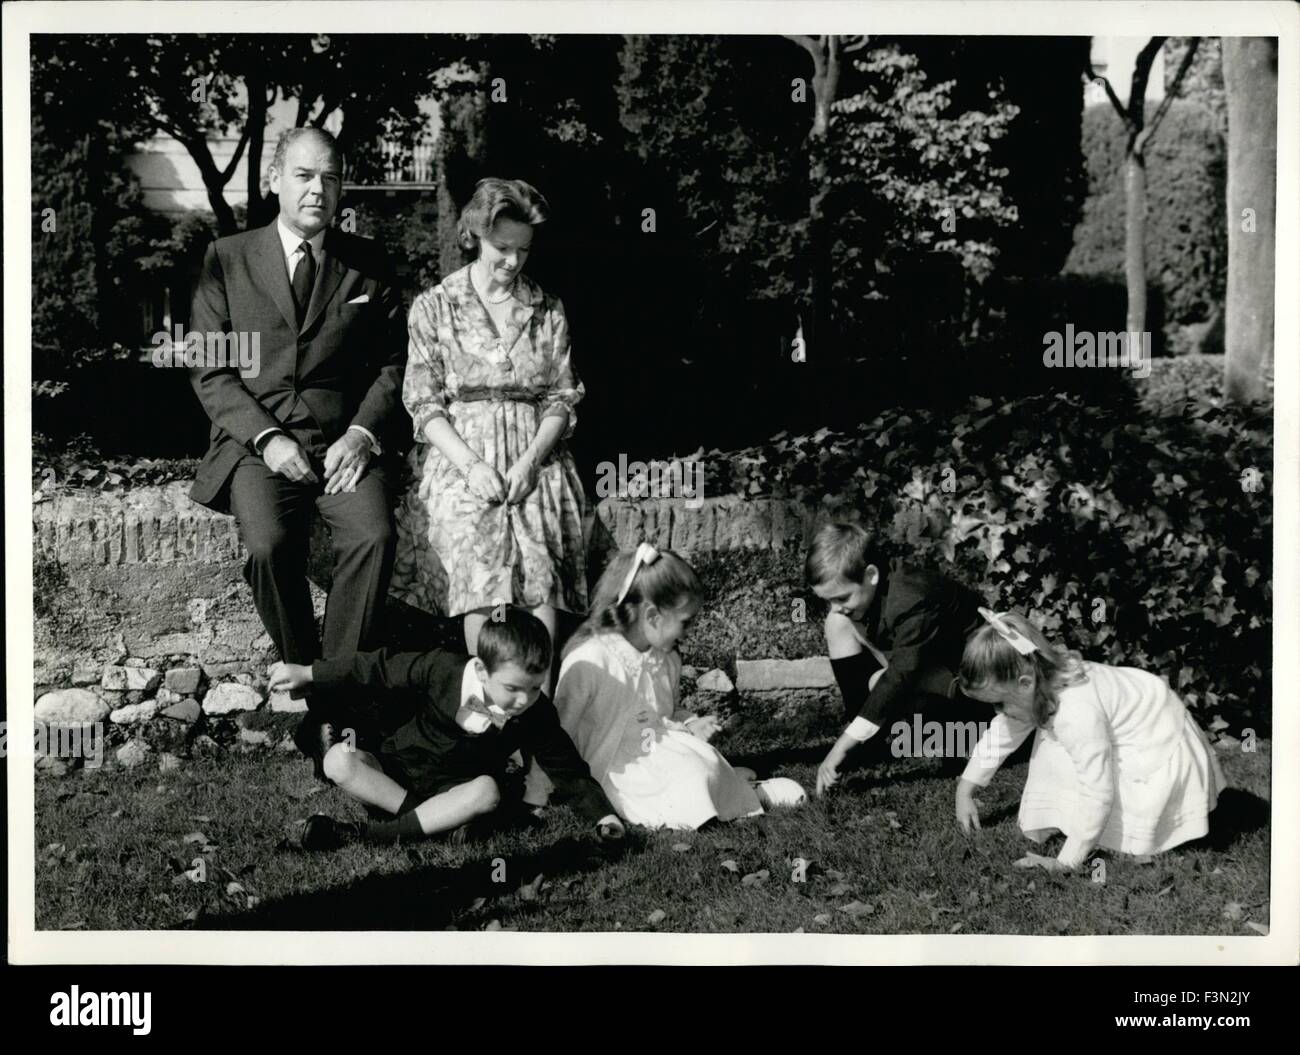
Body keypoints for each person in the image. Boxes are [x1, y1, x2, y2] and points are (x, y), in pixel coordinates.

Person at [187, 127, 406, 774]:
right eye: (305, 175)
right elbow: (210, 367)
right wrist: (268, 437)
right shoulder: (226, 257)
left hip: (343, 444)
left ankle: (328, 701)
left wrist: (364, 433)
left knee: (373, 536)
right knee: (267, 545)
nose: (318, 189)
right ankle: (321, 687)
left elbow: (394, 364)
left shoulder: (369, 263)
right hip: (258, 444)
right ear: (276, 179)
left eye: (331, 178)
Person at [391, 177, 586, 694]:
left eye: (523, 249)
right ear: (475, 235)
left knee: (540, 581)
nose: (512, 261)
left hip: (535, 456)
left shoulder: (547, 308)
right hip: (461, 456)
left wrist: (527, 465)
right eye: (502, 248)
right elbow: (423, 402)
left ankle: (540, 728)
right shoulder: (435, 306)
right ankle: (492, 711)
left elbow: (562, 398)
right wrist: (473, 467)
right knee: (482, 583)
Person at [268, 606, 625, 850]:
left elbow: (569, 770)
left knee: (486, 790)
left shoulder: (534, 711)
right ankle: (433, 822)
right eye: (512, 689)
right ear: (482, 671)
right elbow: (376, 667)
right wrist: (310, 673)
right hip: (400, 769)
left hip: (458, 787)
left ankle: (364, 834)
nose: (523, 700)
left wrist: (604, 816)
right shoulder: (441, 668)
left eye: (534, 688)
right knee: (339, 762)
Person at [554, 543, 806, 831]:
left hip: (657, 749)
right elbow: (556, 732)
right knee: (690, 774)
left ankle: (734, 787)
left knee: (702, 760)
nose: (688, 632)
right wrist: (538, 795)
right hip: (613, 768)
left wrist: (690, 723)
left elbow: (667, 711)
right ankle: (743, 792)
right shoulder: (592, 660)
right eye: (684, 623)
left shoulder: (666, 659)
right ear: (652, 616)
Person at [954, 609, 1225, 871]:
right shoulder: (1041, 676)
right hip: (1134, 723)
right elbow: (1004, 731)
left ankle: (1129, 830)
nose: (999, 713)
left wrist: (1067, 861)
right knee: (1054, 750)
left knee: (1080, 767)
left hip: (1157, 742)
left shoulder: (1076, 712)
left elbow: (1097, 789)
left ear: (1025, 684)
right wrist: (966, 788)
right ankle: (1074, 822)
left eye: (999, 703)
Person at [806, 522, 987, 795]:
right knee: (838, 621)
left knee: (881, 681)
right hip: (927, 674)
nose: (835, 606)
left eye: (841, 596)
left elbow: (901, 675)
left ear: (871, 575)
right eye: (828, 599)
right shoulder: (877, 583)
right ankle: (867, 741)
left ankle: (958, 741)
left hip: (968, 695)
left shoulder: (913, 599)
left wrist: (840, 746)